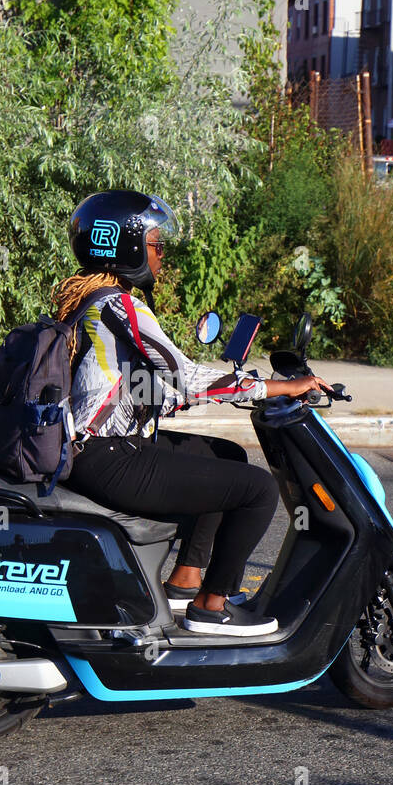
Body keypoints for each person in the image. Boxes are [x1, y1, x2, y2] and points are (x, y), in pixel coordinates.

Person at [56, 190, 327, 637]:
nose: (162, 253)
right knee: (258, 490)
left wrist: (205, 396)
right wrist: (277, 387)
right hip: (106, 457)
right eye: (156, 243)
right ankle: (210, 606)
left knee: (225, 458)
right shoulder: (119, 306)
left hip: (98, 442)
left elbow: (120, 388)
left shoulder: (88, 299)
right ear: (126, 247)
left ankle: (187, 580)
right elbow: (186, 375)